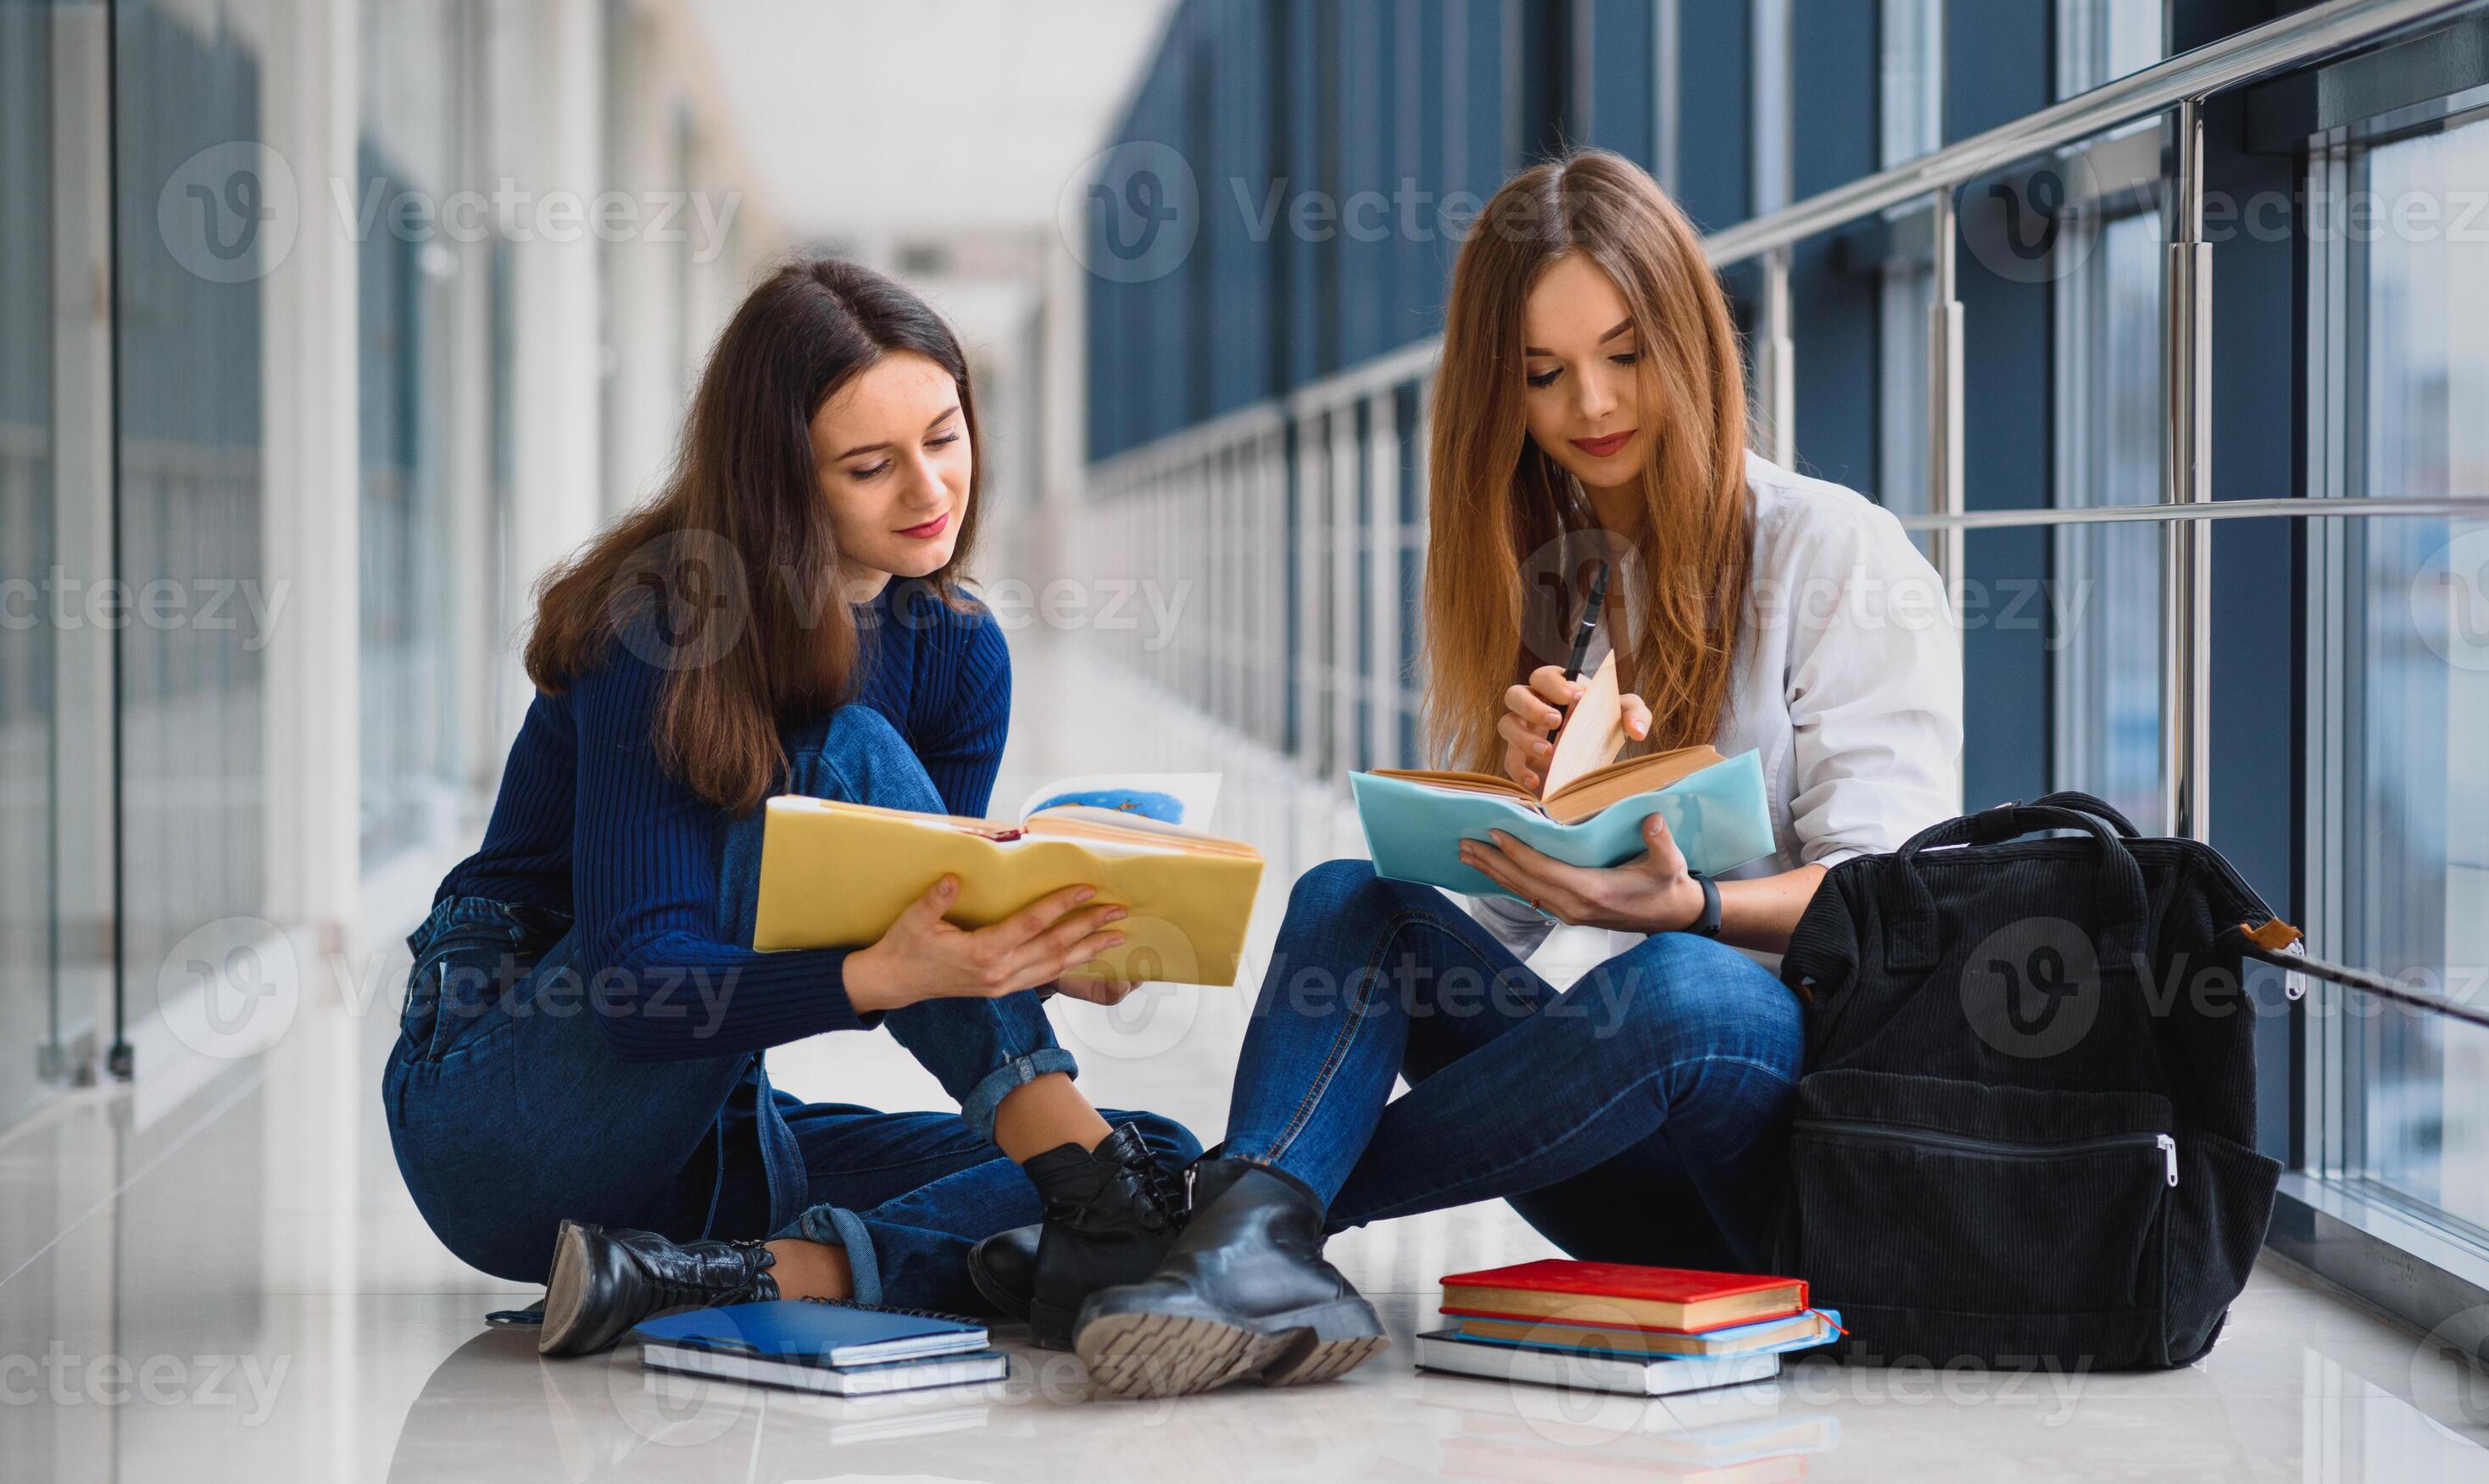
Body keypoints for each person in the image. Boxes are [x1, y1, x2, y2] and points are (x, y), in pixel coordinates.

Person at [1062, 150, 1963, 1398]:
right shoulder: (1576, 582)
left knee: (1682, 987)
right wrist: (1521, 811)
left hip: (1795, 1161)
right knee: (1353, 895)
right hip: (1623, 1161)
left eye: (1626, 352)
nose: (1591, 404)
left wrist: (1689, 904)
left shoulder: (1836, 553)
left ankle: (1220, 1218)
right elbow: (1499, 930)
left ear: (1695, 340)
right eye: (1543, 375)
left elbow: (1891, 910)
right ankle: (1252, 1229)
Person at [381, 257, 1198, 1357]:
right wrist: (894, 971)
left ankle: (716, 1276)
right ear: (781, 484)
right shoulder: (665, 627)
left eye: (945, 436)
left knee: (1169, 1150)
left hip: (711, 1140)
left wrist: (1030, 950)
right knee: (844, 749)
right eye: (871, 466)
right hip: (509, 1112)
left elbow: (913, 943)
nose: (930, 493)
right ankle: (1099, 1196)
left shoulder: (957, 654)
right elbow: (639, 993)